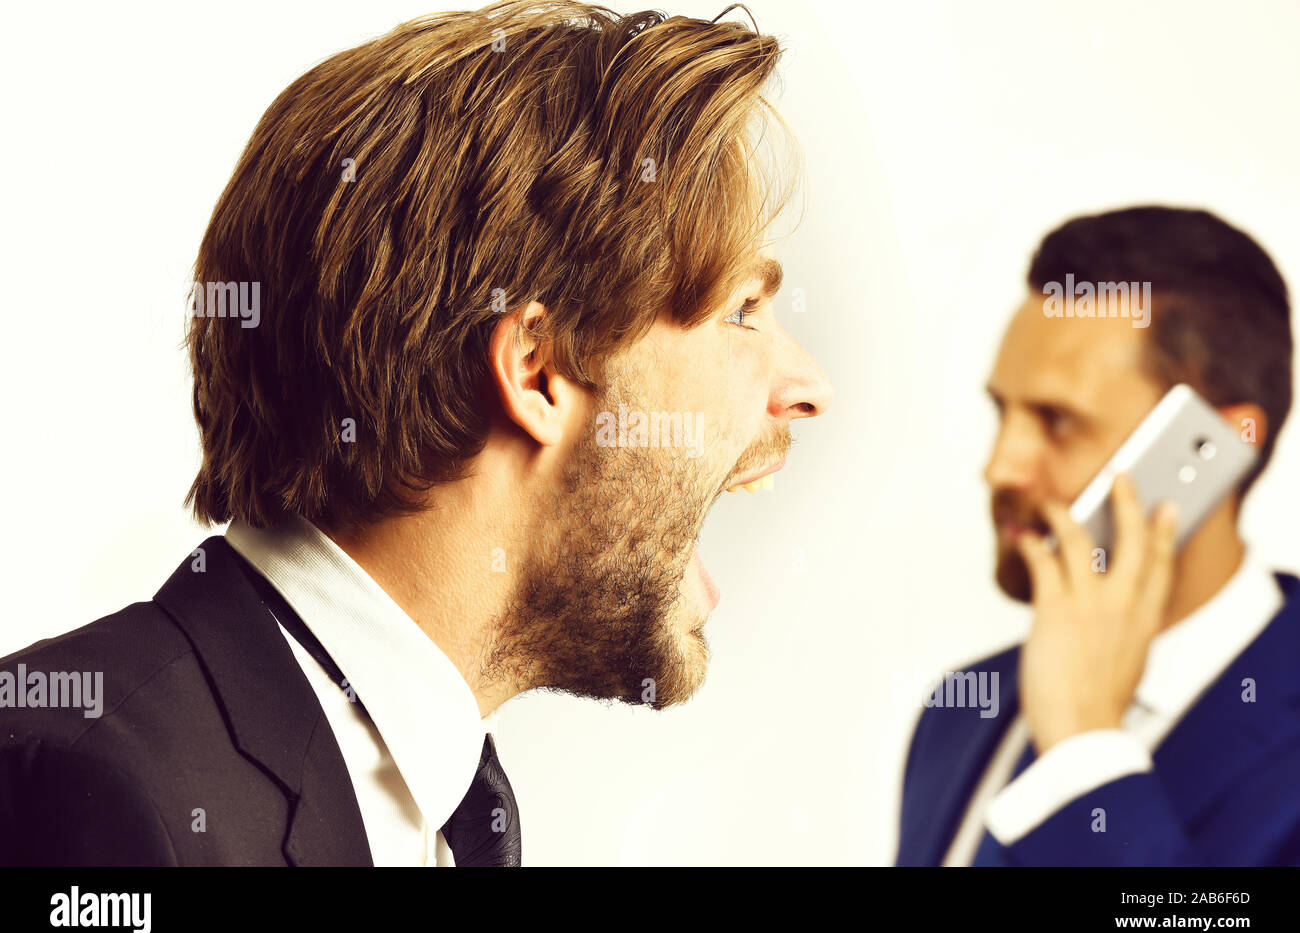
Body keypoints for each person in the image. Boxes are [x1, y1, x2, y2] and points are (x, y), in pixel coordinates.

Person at [0, 1, 832, 866]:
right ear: (539, 371)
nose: (809, 386)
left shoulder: (445, 799)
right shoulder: (82, 796)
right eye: (743, 312)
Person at [897, 205, 1298, 865]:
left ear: (1217, 445)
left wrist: (1084, 749)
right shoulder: (961, 709)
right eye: (1005, 412)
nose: (1000, 466)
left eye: (1057, 421)